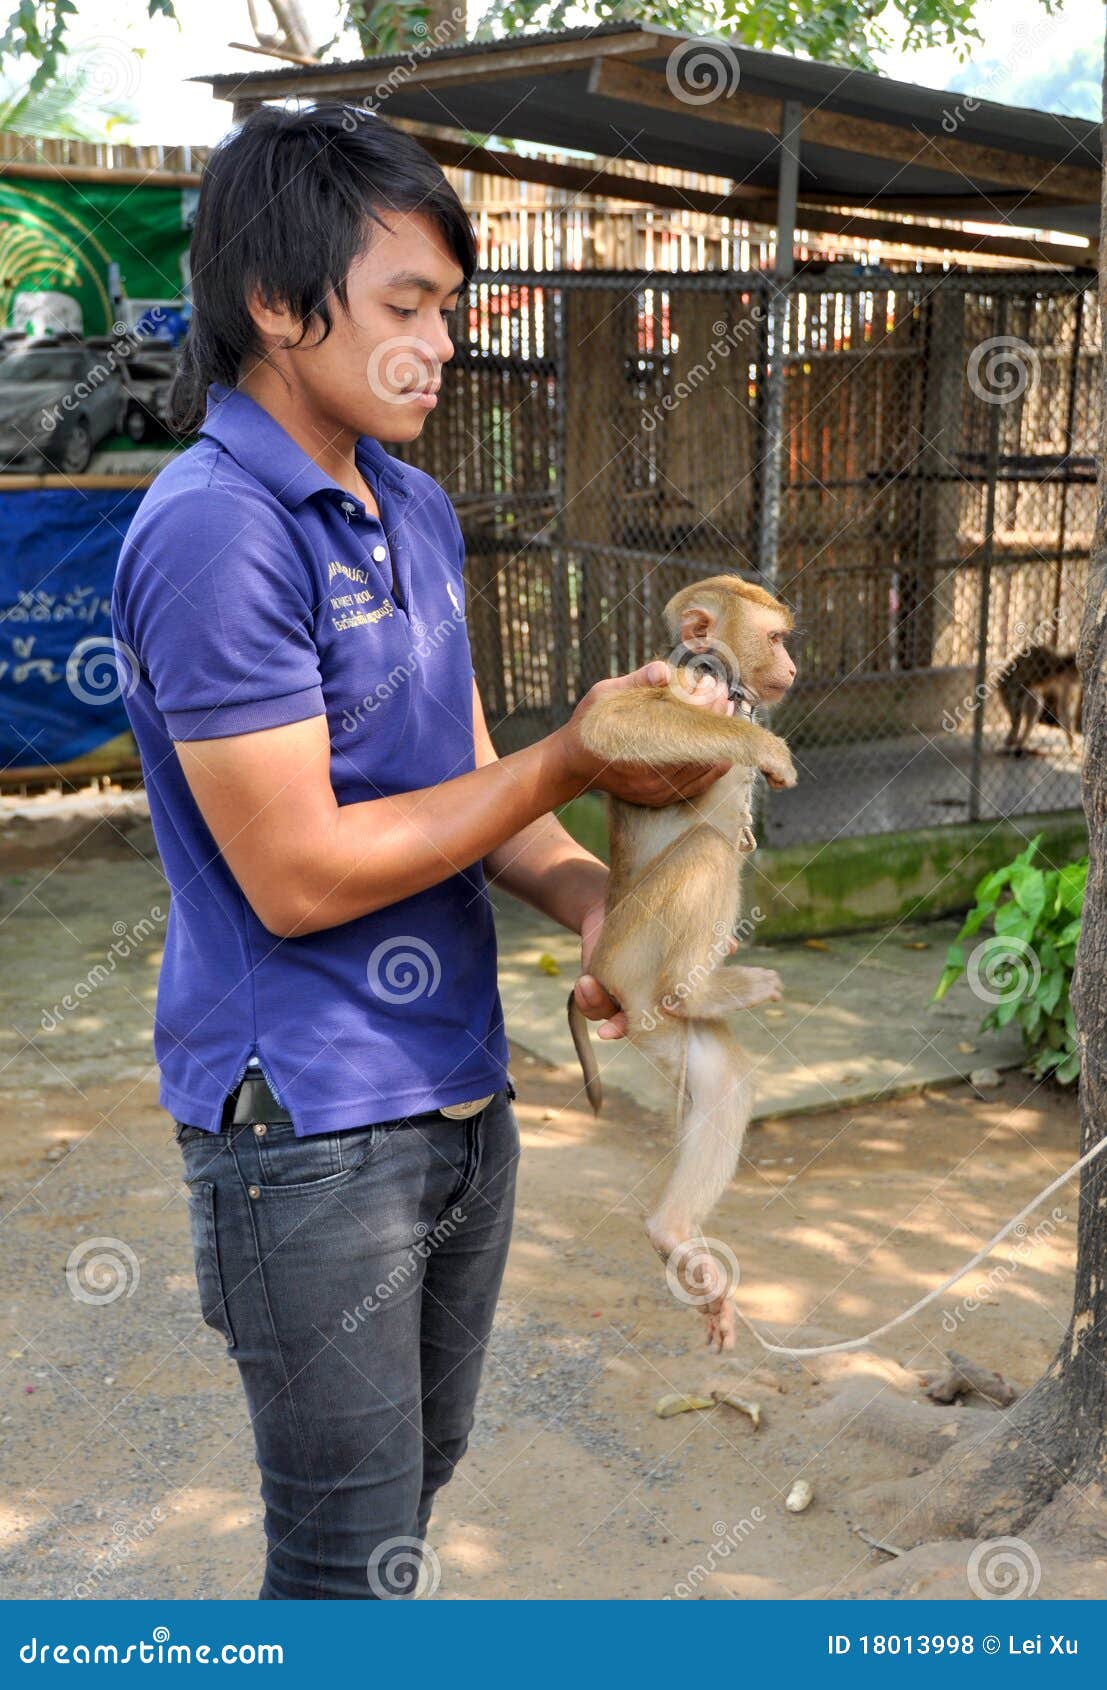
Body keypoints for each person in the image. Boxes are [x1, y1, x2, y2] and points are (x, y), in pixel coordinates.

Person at [111, 103, 734, 1600]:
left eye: (448, 308)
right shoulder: (216, 531)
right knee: (341, 1559)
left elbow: (458, 776)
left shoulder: (412, 505)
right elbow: (300, 870)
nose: (442, 341)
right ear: (276, 302)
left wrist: (596, 894)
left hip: (456, 1088)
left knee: (405, 1506)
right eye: (406, 305)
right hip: (312, 1125)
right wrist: (577, 757)